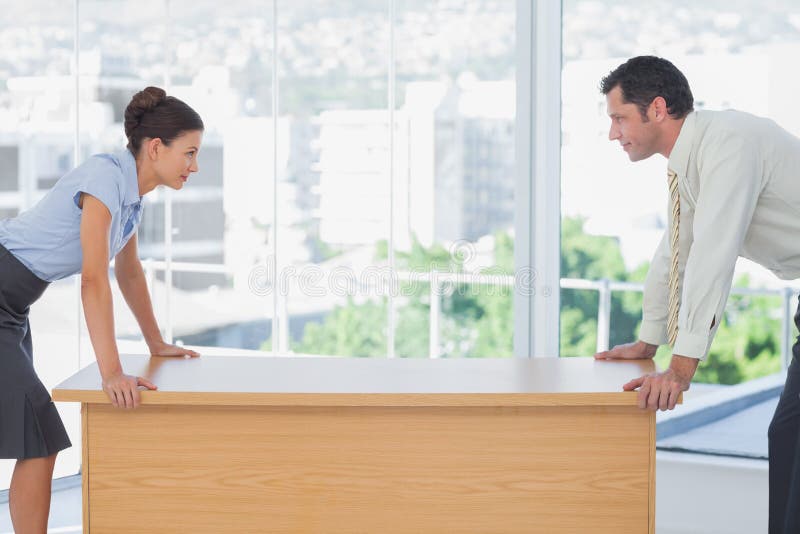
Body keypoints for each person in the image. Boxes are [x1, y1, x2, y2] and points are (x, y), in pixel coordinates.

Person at [592, 55, 800, 533]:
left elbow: (713, 254)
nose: (612, 133)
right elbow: (675, 252)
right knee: (789, 435)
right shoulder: (689, 163)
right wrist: (648, 342)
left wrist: (682, 368)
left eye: (619, 117)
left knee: (793, 435)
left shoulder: (728, 142)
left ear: (658, 109)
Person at [0, 86, 203, 533]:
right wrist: (111, 373)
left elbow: (129, 274)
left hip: (13, 307)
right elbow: (94, 279)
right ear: (155, 148)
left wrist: (156, 343)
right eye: (188, 153)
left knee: (31, 435)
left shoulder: (132, 199)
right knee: (39, 435)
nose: (194, 166)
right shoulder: (106, 176)